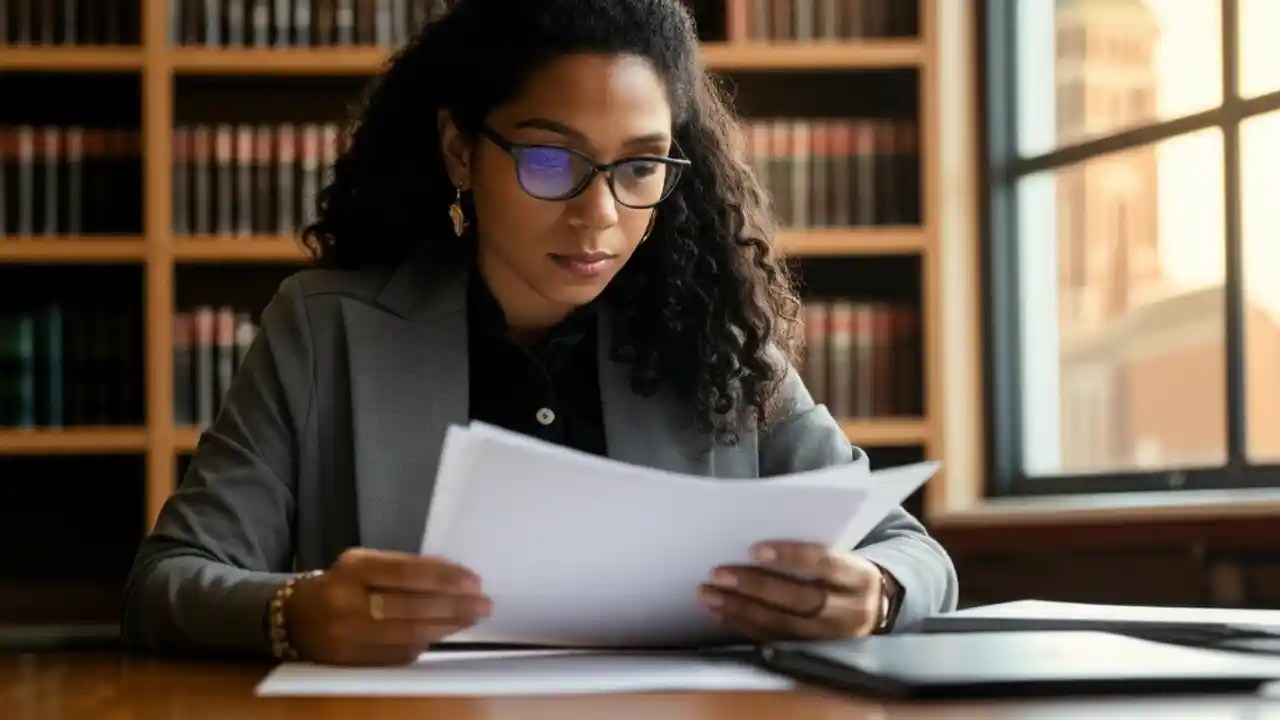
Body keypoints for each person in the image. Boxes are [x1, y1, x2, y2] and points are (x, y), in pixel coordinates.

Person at [123, 0, 958, 665]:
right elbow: (165, 581)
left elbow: (911, 551)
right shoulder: (324, 332)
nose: (597, 215)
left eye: (639, 167)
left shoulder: (718, 337)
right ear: (460, 151)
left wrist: (877, 591)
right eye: (550, 161)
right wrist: (289, 613)